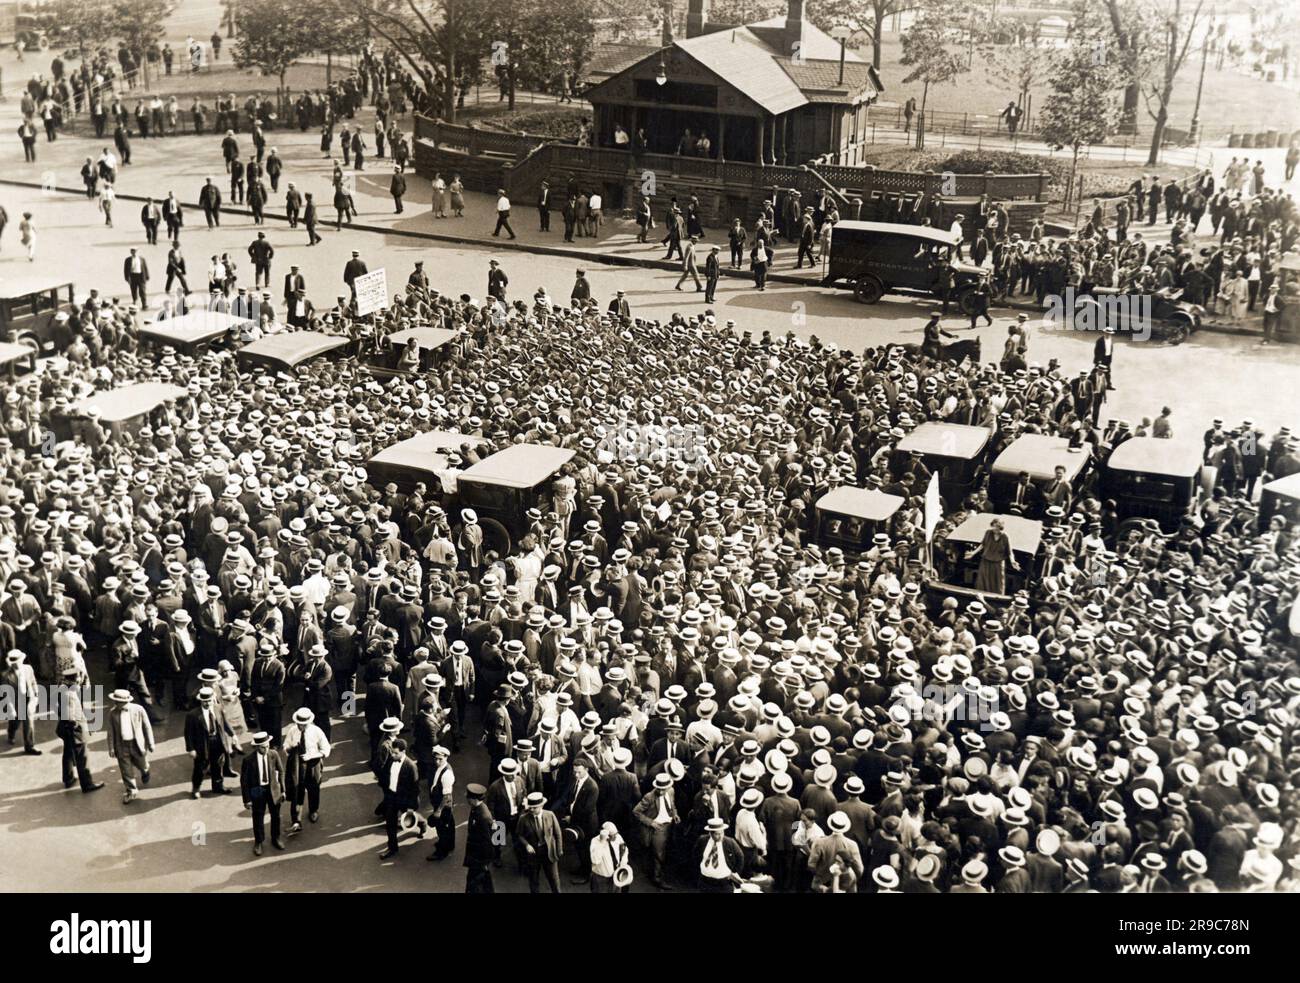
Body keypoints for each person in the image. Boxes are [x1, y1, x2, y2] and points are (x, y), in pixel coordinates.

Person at [284, 707, 331, 831]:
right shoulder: (292, 731)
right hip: (297, 765)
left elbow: (326, 750)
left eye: (304, 724)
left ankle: (313, 810)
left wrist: (312, 755)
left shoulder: (316, 731)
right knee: (296, 790)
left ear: (309, 722)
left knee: (313, 788)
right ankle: (296, 820)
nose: (301, 726)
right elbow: (286, 745)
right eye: (300, 724)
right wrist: (290, 748)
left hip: (313, 764)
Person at [240, 731, 286, 856]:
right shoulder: (248, 760)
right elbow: (244, 782)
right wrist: (247, 799)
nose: (265, 749)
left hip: (273, 790)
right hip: (257, 790)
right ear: (256, 747)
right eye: (262, 747)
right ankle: (259, 841)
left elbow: (281, 772)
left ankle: (276, 838)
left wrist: (283, 790)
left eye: (267, 746)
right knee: (258, 816)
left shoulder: (274, 754)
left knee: (275, 815)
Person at [57, 675, 103, 794]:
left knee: (68, 752)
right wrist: (79, 728)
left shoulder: (62, 690)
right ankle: (87, 784)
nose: (79, 684)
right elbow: (71, 717)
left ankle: (68, 778)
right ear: (72, 681)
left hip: (64, 728)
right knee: (82, 756)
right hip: (74, 731)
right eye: (77, 682)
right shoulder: (69, 695)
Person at [380, 738, 420, 859]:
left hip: (404, 799)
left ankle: (422, 824)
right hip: (392, 796)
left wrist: (411, 807)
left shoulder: (411, 766)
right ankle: (392, 848)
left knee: (408, 815)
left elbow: (415, 789)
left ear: (403, 752)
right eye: (392, 751)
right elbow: (386, 774)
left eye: (396, 753)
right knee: (390, 823)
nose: (392, 754)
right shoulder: (391, 760)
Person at [517, 791, 564, 893]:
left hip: (549, 853)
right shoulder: (523, 819)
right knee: (533, 880)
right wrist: (527, 845)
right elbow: (519, 835)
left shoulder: (550, 815)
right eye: (530, 807)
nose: (531, 810)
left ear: (541, 806)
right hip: (533, 855)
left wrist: (559, 850)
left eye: (535, 807)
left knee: (554, 880)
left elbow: (558, 833)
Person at [967, 516, 1018, 593]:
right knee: (983, 580)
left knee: (998, 582)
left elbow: (1010, 552)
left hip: (998, 563)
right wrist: (973, 553)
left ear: (1001, 527)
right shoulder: (988, 532)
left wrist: (1013, 561)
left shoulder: (1005, 537)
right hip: (986, 561)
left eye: (997, 526)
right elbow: (983, 544)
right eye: (993, 526)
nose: (994, 528)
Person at [463, 782, 496, 893]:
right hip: (475, 856)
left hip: (479, 859)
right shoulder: (477, 808)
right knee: (483, 883)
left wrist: (485, 863)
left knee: (474, 885)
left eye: (468, 797)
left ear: (473, 799)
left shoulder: (483, 816)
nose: (467, 798)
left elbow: (487, 841)